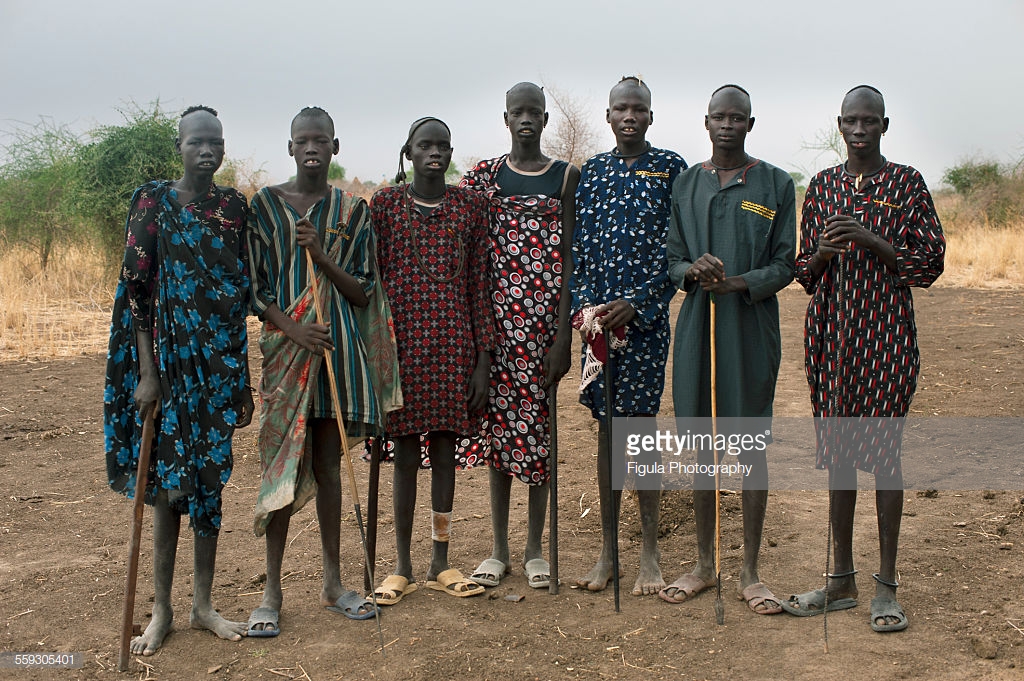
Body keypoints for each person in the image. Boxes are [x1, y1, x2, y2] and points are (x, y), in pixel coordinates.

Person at [782, 85, 944, 632]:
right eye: (851, 121)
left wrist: (871, 239)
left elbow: (930, 263)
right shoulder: (823, 186)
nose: (858, 130)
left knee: (885, 456)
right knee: (840, 456)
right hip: (831, 338)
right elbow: (803, 273)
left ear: (884, 125)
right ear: (839, 124)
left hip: (887, 339)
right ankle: (841, 581)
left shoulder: (906, 182)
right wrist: (821, 255)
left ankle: (887, 587)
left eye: (869, 121)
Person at [104, 105, 253, 655]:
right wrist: (146, 373)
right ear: (179, 147)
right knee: (169, 487)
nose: (207, 151)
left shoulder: (233, 207)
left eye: (216, 141)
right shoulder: (153, 202)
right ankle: (162, 610)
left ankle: (203, 605)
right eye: (196, 142)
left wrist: (240, 379)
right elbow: (137, 291)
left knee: (209, 482)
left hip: (217, 366)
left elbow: (238, 295)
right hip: (166, 366)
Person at [245, 107, 400, 635]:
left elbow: (363, 291)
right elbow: (255, 291)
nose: (312, 148)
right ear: (290, 147)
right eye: (303, 140)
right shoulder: (264, 207)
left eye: (321, 140)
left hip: (337, 354)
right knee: (282, 468)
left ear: (335, 147)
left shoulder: (351, 212)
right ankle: (271, 592)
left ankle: (333, 584)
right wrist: (294, 330)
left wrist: (322, 254)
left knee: (330, 468)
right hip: (287, 356)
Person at [662, 84, 794, 615]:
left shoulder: (775, 183)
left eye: (737, 118)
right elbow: (672, 259)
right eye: (719, 116)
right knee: (702, 444)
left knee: (751, 446)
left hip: (750, 327)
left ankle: (751, 573)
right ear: (706, 122)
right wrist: (692, 270)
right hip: (699, 325)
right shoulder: (686, 184)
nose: (727, 125)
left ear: (750, 125)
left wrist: (738, 282)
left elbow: (785, 263)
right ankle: (703, 565)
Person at [369, 117, 498, 603]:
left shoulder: (470, 207)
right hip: (402, 350)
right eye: (425, 145)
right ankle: (401, 565)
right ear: (409, 152)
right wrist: (376, 357)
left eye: (443, 145)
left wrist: (483, 359)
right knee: (404, 454)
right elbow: (373, 281)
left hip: (453, 349)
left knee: (445, 451)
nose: (435, 153)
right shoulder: (385, 205)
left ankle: (440, 561)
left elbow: (479, 284)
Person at [457, 82, 580, 589]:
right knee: (500, 436)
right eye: (517, 112)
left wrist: (563, 338)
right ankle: (498, 550)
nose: (525, 119)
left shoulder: (565, 176)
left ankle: (534, 550)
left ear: (546, 120)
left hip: (543, 328)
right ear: (505, 119)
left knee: (539, 435)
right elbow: (467, 247)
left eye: (534, 112)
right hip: (496, 327)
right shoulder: (485, 178)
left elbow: (570, 258)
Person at [571, 77, 686, 596]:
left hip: (644, 325)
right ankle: (608, 551)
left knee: (639, 431)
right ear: (609, 115)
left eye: (639, 109)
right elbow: (580, 250)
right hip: (598, 326)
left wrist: (637, 304)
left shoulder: (670, 168)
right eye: (621, 108)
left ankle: (649, 553)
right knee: (607, 431)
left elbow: (677, 250)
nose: (630, 116)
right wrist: (587, 310)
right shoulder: (592, 172)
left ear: (650, 116)